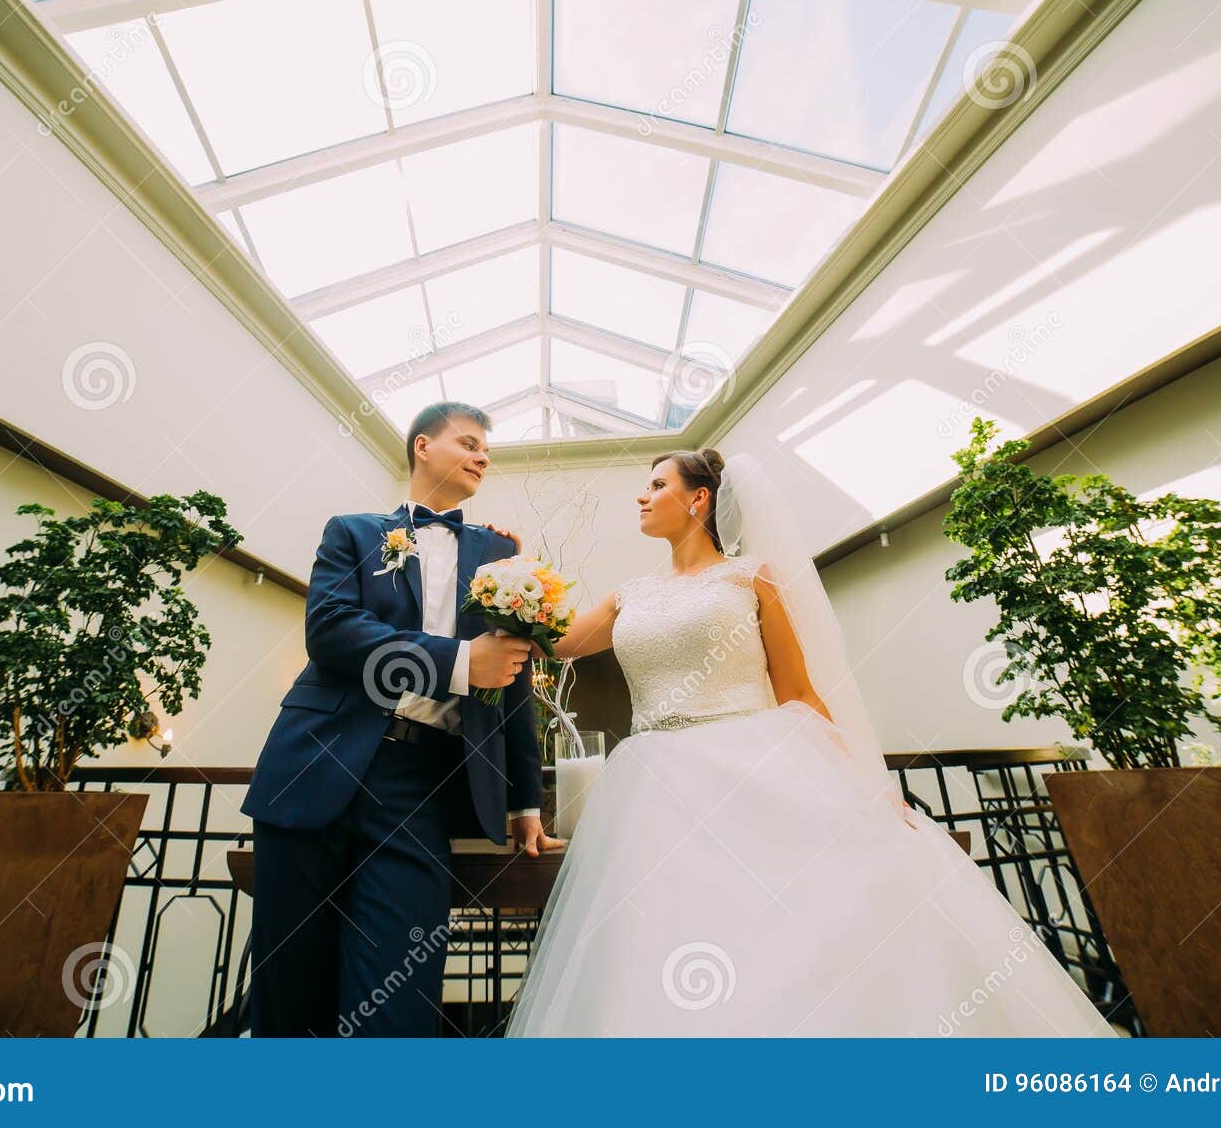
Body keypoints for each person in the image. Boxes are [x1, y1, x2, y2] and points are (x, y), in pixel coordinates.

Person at [503, 448, 1117, 1037]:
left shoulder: (752, 579)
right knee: (664, 941)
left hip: (755, 769)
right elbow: (557, 642)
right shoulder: (628, 594)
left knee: (795, 930)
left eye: (658, 484)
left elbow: (799, 692)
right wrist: (514, 575)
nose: (643, 494)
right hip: (656, 790)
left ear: (699, 500)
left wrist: (866, 785)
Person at [241, 401, 564, 1037]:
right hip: (314, 765)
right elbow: (330, 631)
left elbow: (516, 678)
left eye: (486, 451)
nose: (482, 457)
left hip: (424, 788)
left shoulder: (503, 555)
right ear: (422, 446)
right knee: (290, 994)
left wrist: (527, 802)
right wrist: (459, 660)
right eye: (468, 443)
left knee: (399, 1002)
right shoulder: (352, 532)